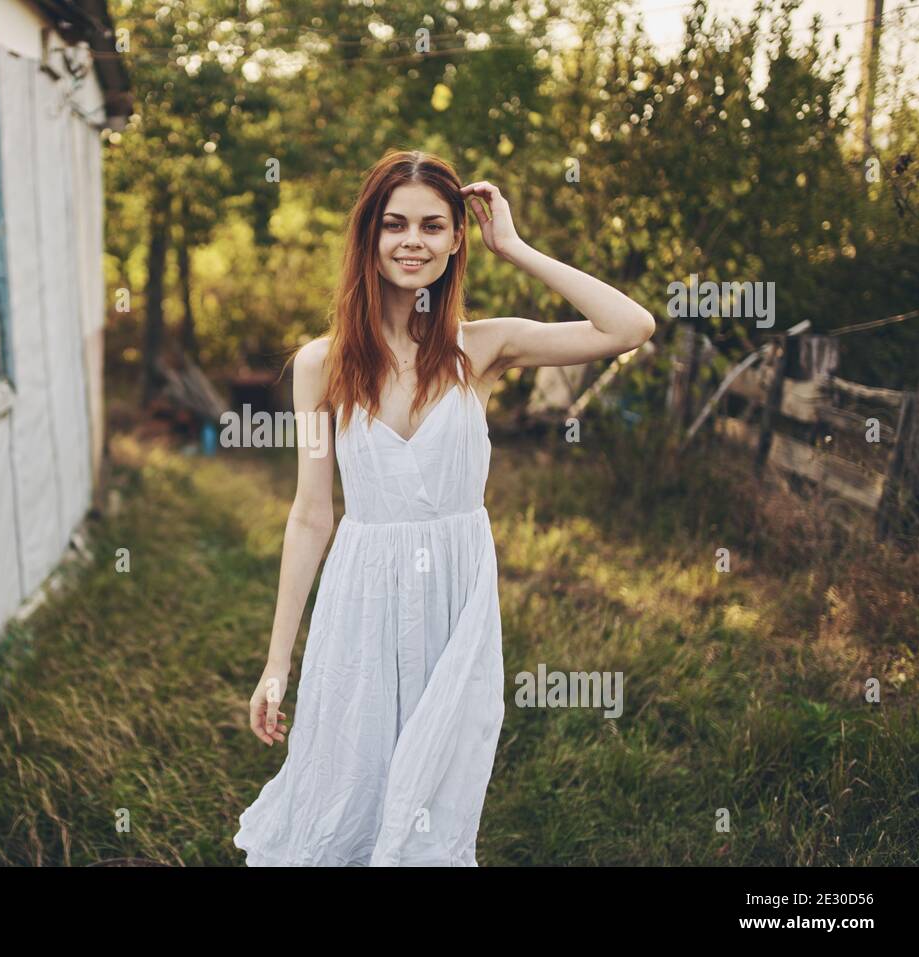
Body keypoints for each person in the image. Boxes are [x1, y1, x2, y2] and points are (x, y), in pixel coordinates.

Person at [232, 149, 655, 866]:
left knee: (434, 791)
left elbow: (629, 325)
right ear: (369, 236)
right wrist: (278, 661)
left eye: (433, 225)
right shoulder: (320, 364)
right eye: (394, 224)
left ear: (458, 238)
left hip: (455, 601)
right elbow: (310, 514)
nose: (412, 241)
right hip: (361, 596)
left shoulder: (483, 348)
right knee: (347, 780)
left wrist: (515, 248)